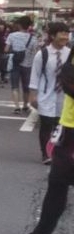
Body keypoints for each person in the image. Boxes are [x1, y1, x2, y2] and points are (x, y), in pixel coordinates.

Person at [2, 46, 74, 234]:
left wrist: (67, 77)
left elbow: (68, 79)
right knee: (57, 183)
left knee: (58, 183)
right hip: (69, 125)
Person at [29, 23, 71, 164]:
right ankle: (46, 154)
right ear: (52, 36)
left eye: (67, 33)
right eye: (62, 33)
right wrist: (33, 95)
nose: (65, 36)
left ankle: (59, 152)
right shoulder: (43, 54)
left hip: (65, 97)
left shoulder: (70, 53)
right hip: (46, 94)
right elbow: (35, 75)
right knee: (46, 125)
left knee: (61, 126)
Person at [7, 18, 34, 114]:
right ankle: (25, 106)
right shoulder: (32, 37)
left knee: (15, 86)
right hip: (28, 64)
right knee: (26, 87)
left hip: (15, 63)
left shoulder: (12, 35)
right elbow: (34, 52)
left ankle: (17, 107)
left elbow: (6, 49)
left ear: (19, 25)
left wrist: (14, 50)